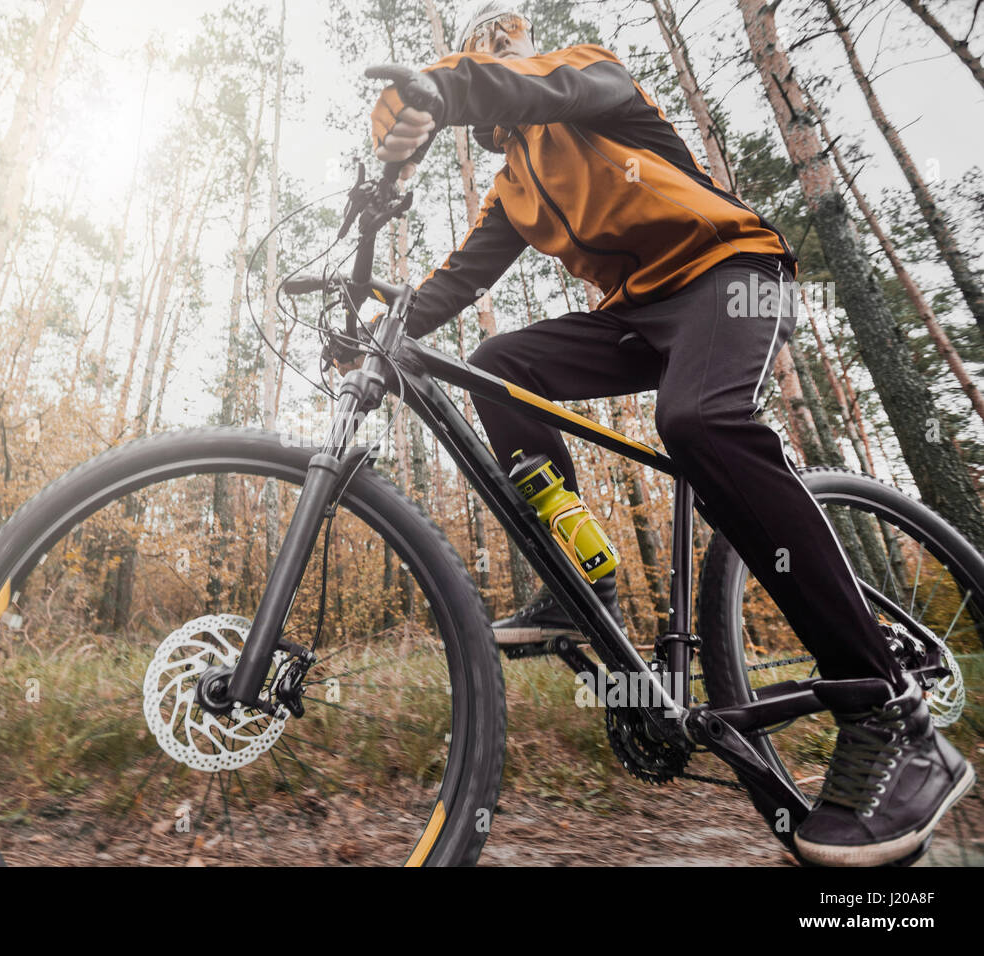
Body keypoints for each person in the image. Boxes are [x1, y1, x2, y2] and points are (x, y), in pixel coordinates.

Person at [367, 0, 974, 867]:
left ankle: (887, 708)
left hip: (735, 275)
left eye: (502, 42)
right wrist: (380, 319)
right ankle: (582, 574)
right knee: (502, 363)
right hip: (645, 315)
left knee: (697, 419)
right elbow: (458, 279)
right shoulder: (512, 188)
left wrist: (443, 83)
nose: (494, 52)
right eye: (478, 47)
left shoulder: (590, 80)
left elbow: (548, 83)